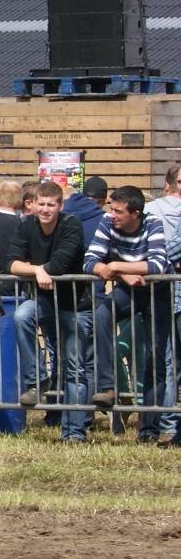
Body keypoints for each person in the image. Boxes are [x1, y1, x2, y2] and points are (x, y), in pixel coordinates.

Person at [84, 185, 172, 443]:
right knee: (103, 314)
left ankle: (149, 430)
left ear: (135, 213)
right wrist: (123, 274)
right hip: (127, 288)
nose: (112, 215)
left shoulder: (152, 223)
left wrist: (115, 265)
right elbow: (90, 261)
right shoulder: (107, 222)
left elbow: (158, 265)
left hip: (157, 292)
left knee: (154, 358)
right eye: (111, 209)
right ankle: (108, 388)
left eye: (118, 211)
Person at [5, 181, 89, 439]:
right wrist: (37, 270)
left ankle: (74, 432)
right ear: (33, 204)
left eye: (51, 205)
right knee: (22, 315)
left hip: (75, 304)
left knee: (74, 368)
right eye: (41, 204)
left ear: (60, 206)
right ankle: (38, 378)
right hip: (43, 300)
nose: (45, 209)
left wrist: (39, 269)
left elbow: (61, 263)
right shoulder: (26, 225)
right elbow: (11, 263)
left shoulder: (71, 224)